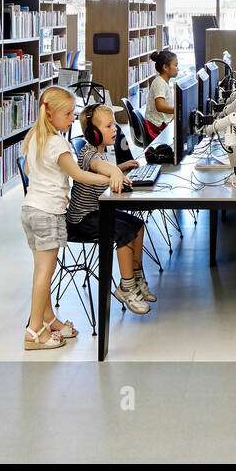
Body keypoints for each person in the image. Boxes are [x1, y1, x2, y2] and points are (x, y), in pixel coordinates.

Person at [20, 86, 121, 350]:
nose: (72, 119)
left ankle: (48, 319)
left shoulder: (35, 138)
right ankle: (34, 332)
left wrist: (52, 187)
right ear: (50, 115)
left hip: (31, 209)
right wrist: (111, 176)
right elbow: (78, 175)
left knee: (41, 271)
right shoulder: (58, 143)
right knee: (45, 272)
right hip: (48, 214)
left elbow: (31, 170)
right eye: (67, 114)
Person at [68, 104, 156, 314]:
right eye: (109, 126)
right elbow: (100, 167)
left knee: (137, 224)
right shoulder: (88, 154)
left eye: (114, 124)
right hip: (81, 221)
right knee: (124, 232)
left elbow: (106, 168)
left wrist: (121, 168)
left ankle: (135, 277)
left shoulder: (99, 152)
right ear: (93, 133)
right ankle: (126, 287)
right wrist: (114, 172)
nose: (115, 129)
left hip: (97, 212)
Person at [145, 50, 177, 139]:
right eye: (175, 65)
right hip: (156, 127)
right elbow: (160, 106)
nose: (177, 68)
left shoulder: (163, 82)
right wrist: (178, 110)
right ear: (165, 67)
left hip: (160, 123)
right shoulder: (159, 83)